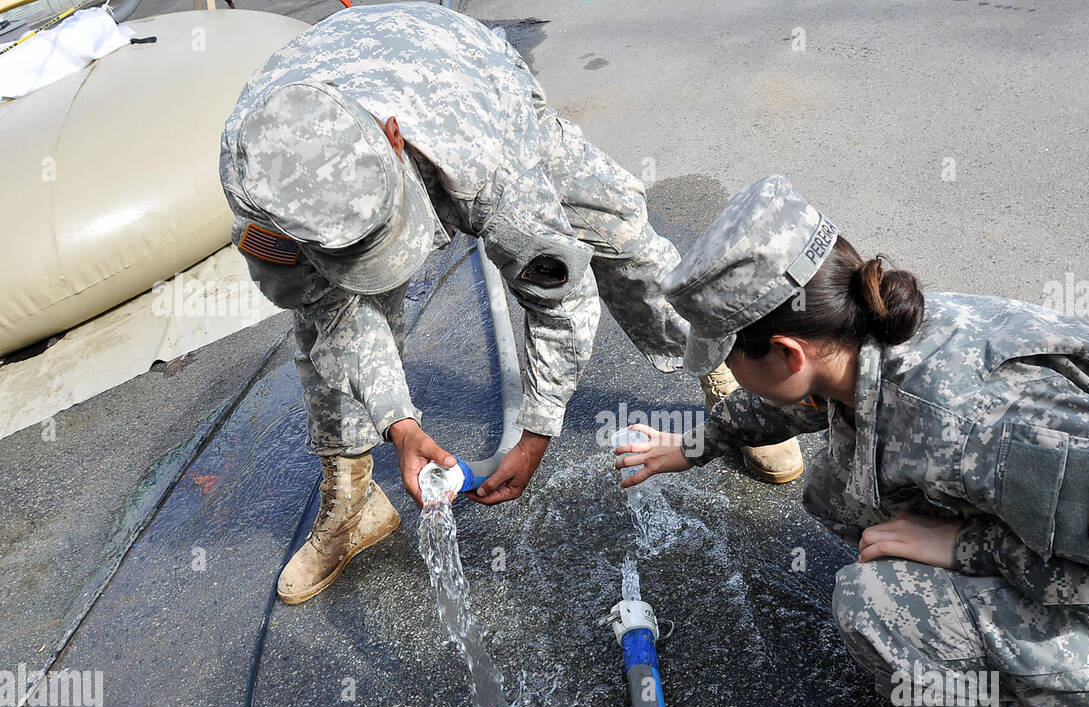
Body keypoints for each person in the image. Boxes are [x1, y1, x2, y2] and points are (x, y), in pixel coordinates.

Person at [615, 174, 1089, 707]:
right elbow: (802, 396)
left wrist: (964, 548)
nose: (734, 373)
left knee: (869, 604)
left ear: (788, 350)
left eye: (734, 358)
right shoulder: (866, 330)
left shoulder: (973, 422)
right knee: (842, 490)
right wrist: (700, 441)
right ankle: (993, 618)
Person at [218, 4, 801, 605]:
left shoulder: (491, 159)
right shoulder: (261, 184)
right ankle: (353, 497)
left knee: (619, 233)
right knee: (321, 331)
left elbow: (561, 299)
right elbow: (335, 317)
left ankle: (726, 378)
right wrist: (401, 424)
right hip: (341, 82)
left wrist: (535, 436)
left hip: (467, 79)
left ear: (393, 139)